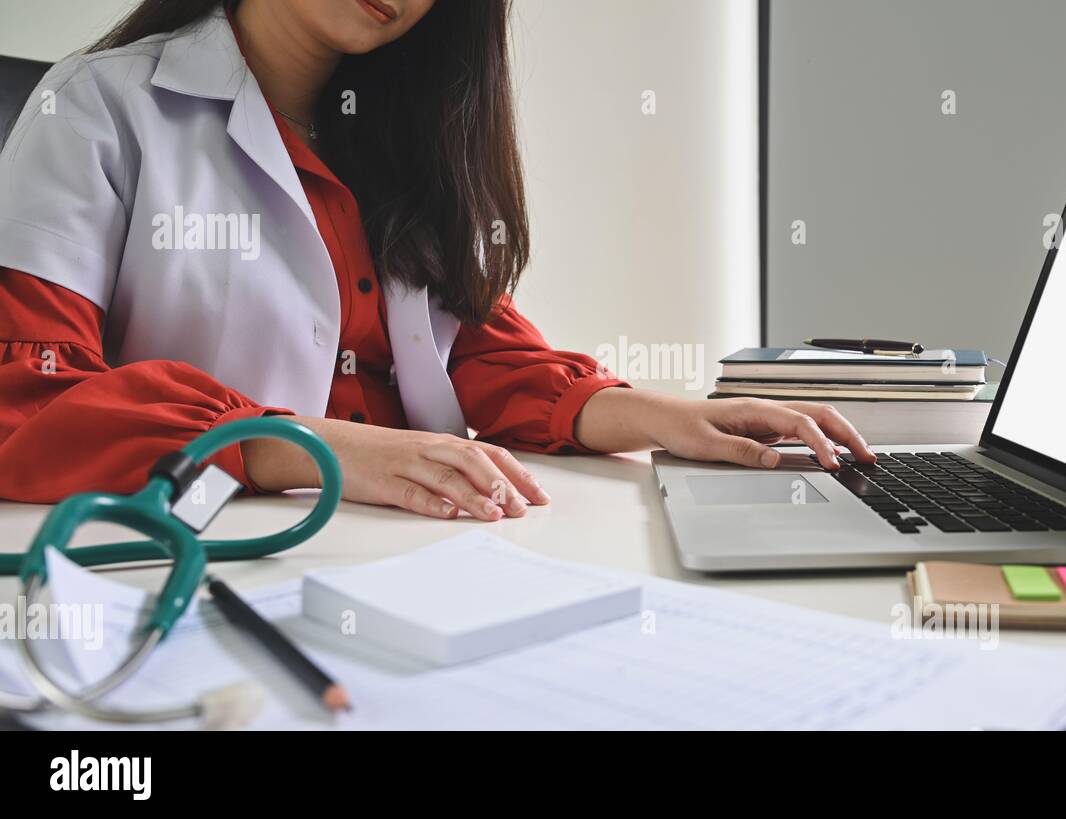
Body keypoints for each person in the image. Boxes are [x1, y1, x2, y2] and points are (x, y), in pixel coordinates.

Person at [0, 0, 874, 521]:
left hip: (415, 542)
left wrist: (668, 418)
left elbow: (477, 352)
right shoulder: (96, 110)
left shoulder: (395, 136)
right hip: (227, 550)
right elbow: (27, 395)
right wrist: (309, 446)